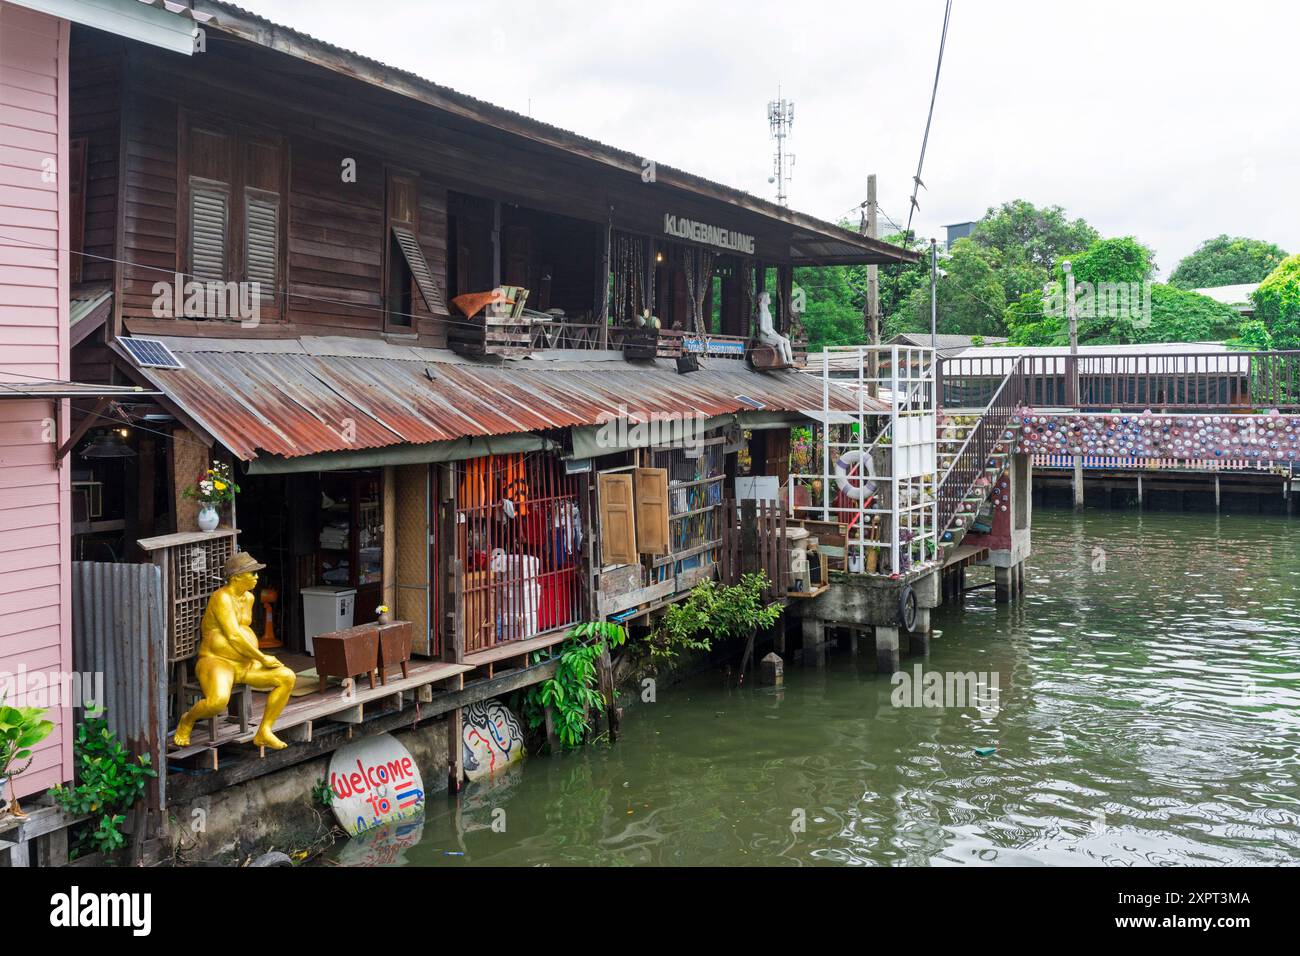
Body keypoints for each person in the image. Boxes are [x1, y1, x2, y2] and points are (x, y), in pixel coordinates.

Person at [173, 552, 296, 749]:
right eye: (252, 573)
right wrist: (262, 658)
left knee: (287, 677)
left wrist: (256, 659)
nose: (257, 577)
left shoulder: (249, 598)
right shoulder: (221, 597)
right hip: (217, 661)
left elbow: (244, 630)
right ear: (237, 577)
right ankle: (187, 719)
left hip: (245, 663)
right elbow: (232, 636)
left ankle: (264, 730)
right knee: (218, 702)